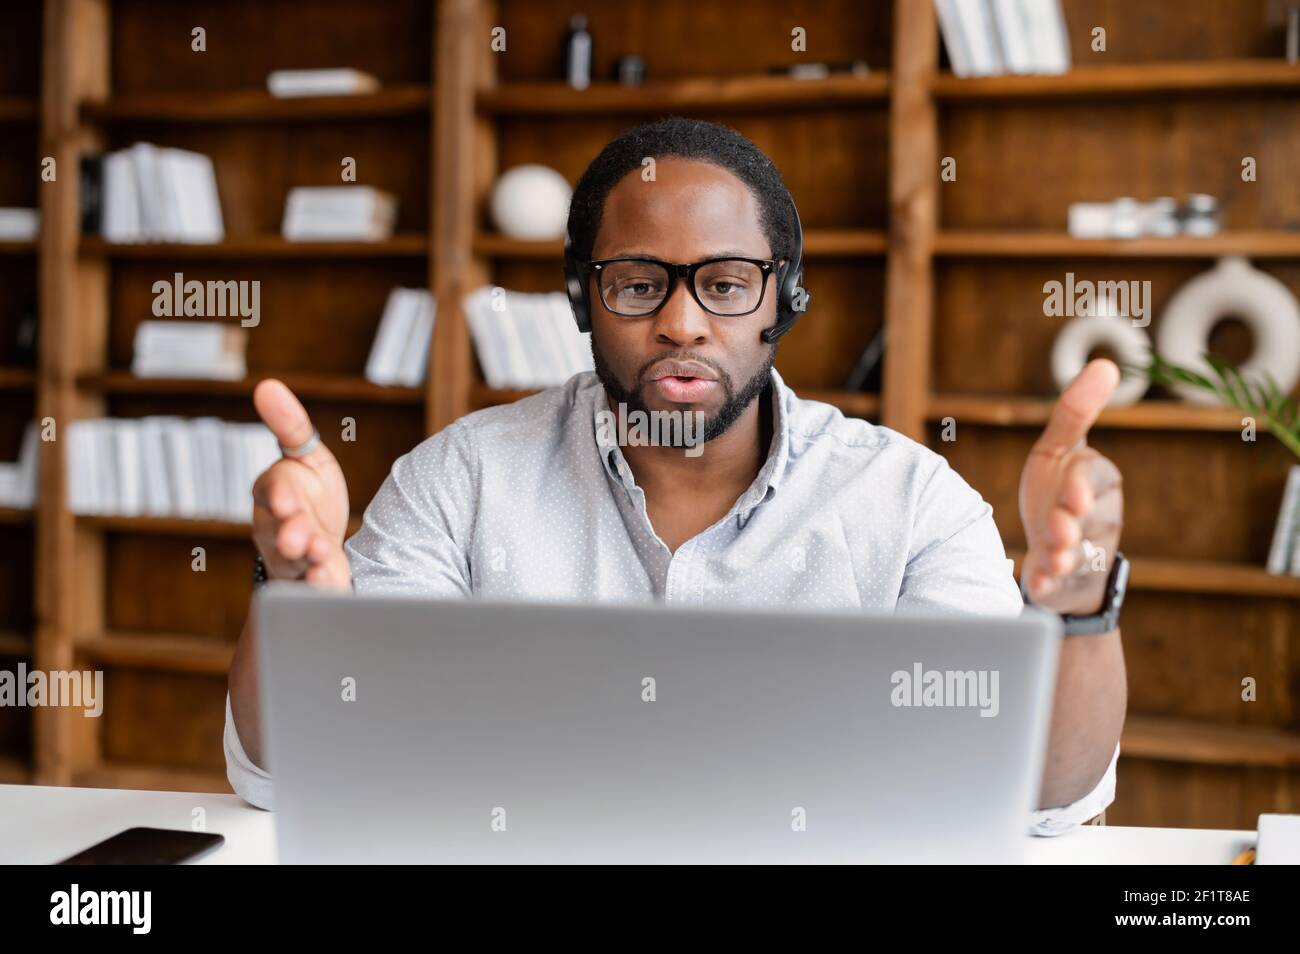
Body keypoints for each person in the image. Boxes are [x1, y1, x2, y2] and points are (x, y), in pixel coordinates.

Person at [226, 118, 1126, 833]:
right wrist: (298, 602)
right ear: (583, 300)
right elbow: (286, 776)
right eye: (638, 282)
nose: (683, 323)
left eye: (727, 284)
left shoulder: (910, 500)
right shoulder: (459, 481)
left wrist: (1081, 600)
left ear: (785, 300)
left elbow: (1042, 801)